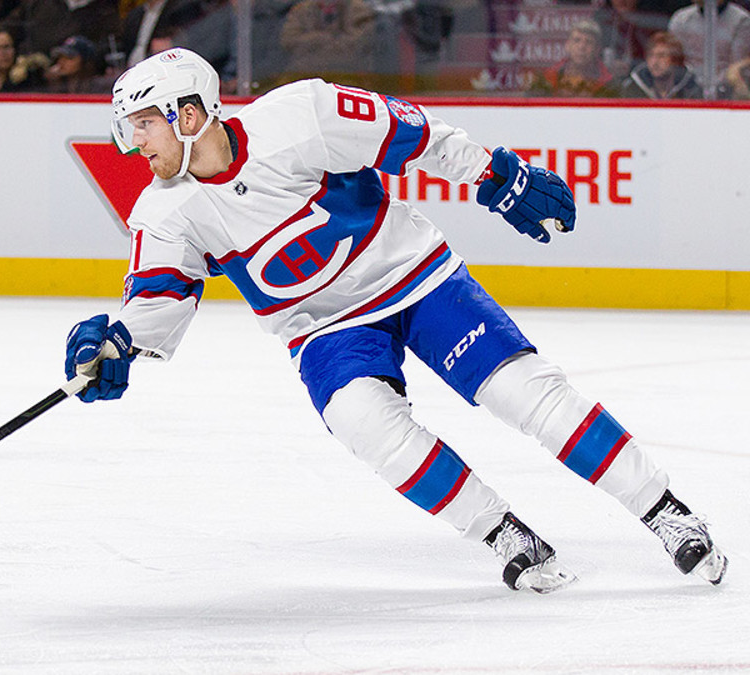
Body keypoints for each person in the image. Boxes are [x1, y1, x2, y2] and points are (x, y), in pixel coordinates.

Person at [63, 47, 728, 592]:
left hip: (414, 275)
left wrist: (491, 174)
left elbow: (411, 136)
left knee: (524, 393)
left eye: (142, 124)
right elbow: (157, 303)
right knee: (361, 420)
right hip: (323, 327)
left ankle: (666, 512)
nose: (132, 143)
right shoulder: (163, 210)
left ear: (187, 113)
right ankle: (503, 532)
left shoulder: (300, 115)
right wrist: (116, 340)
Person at [667, 0, 750, 93]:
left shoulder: (741, 20)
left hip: (725, 93)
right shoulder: (680, 19)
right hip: (685, 90)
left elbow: (736, 68)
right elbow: (673, 63)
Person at [528, 19, 618, 97]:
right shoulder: (546, 80)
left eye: (589, 42)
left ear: (597, 50)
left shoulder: (609, 86)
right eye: (577, 40)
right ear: (568, 45)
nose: (582, 47)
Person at [620, 30, 703, 97]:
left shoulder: (691, 90)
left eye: (661, 56)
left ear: (675, 60)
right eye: (651, 56)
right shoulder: (631, 89)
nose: (655, 62)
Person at [43, 34, 111, 93]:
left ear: (85, 62)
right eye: (60, 57)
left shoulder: (100, 87)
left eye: (69, 58)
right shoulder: (60, 85)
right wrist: (53, 83)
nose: (61, 62)